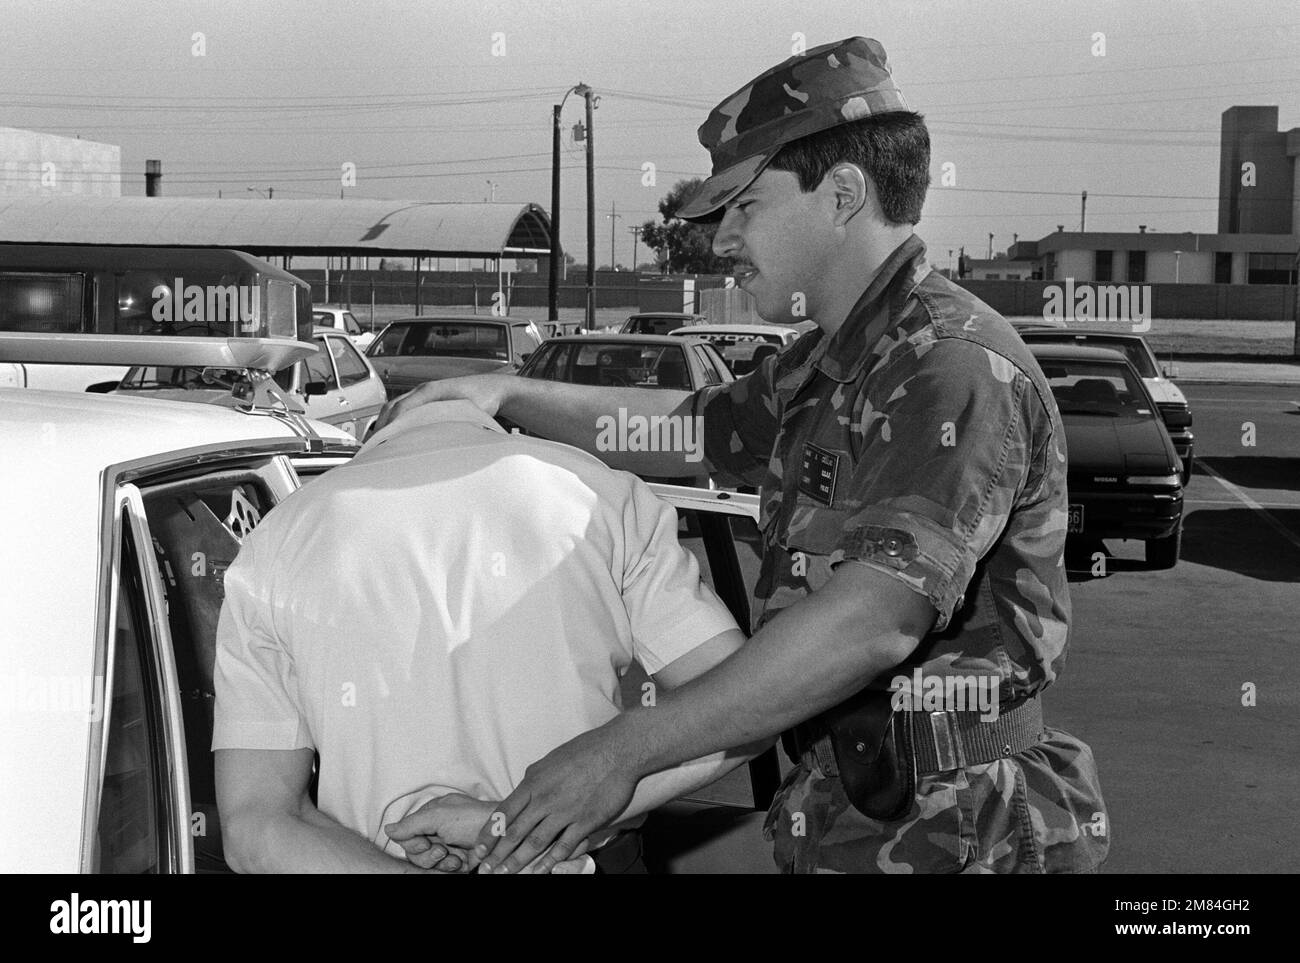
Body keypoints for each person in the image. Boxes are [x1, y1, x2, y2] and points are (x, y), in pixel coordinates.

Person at [376, 36, 1109, 875]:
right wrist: (505, 394)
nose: (721, 240)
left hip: (961, 827)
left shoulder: (948, 367)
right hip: (861, 801)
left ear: (841, 195)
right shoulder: (837, 356)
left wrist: (621, 750)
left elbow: (872, 622)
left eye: (744, 208)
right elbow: (689, 429)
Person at [213, 399, 766, 873]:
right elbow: (749, 713)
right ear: (496, 427)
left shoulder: (276, 541)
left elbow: (256, 824)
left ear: (375, 436)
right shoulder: (603, 496)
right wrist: (533, 823)